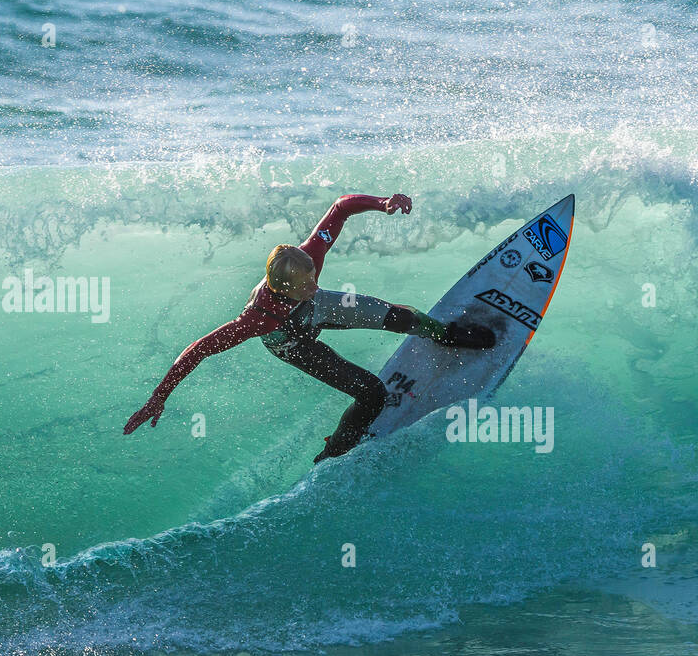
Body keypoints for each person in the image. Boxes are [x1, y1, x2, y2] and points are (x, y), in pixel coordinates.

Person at [123, 193, 493, 461]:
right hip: (290, 341)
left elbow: (341, 207)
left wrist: (383, 203)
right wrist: (161, 395)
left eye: (313, 276)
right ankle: (336, 449)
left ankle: (446, 334)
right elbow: (198, 350)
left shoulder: (307, 259)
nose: (313, 283)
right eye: (304, 283)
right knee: (372, 394)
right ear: (282, 288)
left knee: (403, 317)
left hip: (313, 311)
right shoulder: (257, 319)